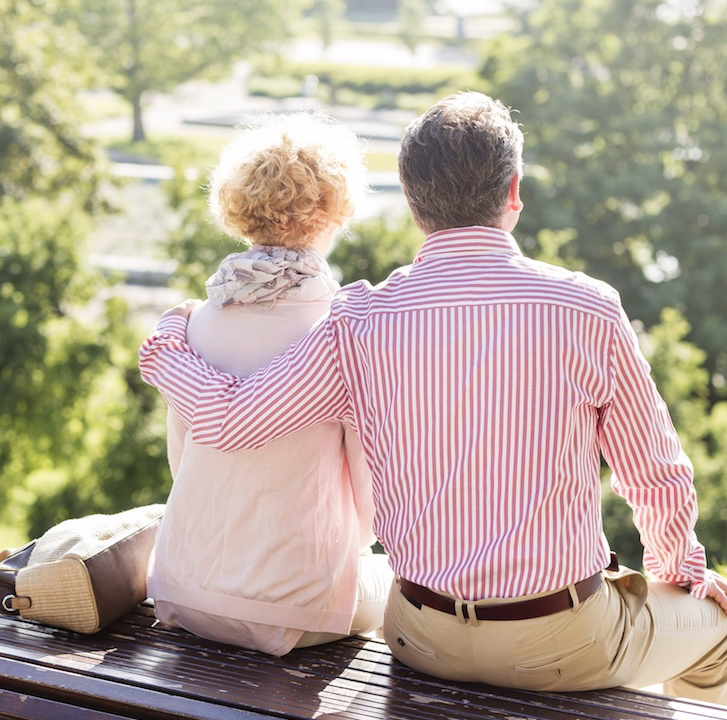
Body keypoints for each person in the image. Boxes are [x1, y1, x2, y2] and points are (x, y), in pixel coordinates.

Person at [138, 91, 727, 700]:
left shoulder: (360, 318)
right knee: (717, 621)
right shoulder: (585, 308)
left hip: (420, 638)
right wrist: (679, 571)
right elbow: (655, 475)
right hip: (562, 640)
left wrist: (164, 346)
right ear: (514, 191)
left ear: (412, 203)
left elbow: (231, 419)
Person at [149, 112, 392, 657]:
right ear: (332, 209)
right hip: (297, 606)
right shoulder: (342, 330)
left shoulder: (192, 322)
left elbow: (182, 459)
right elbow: (370, 492)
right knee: (400, 585)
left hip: (182, 590)